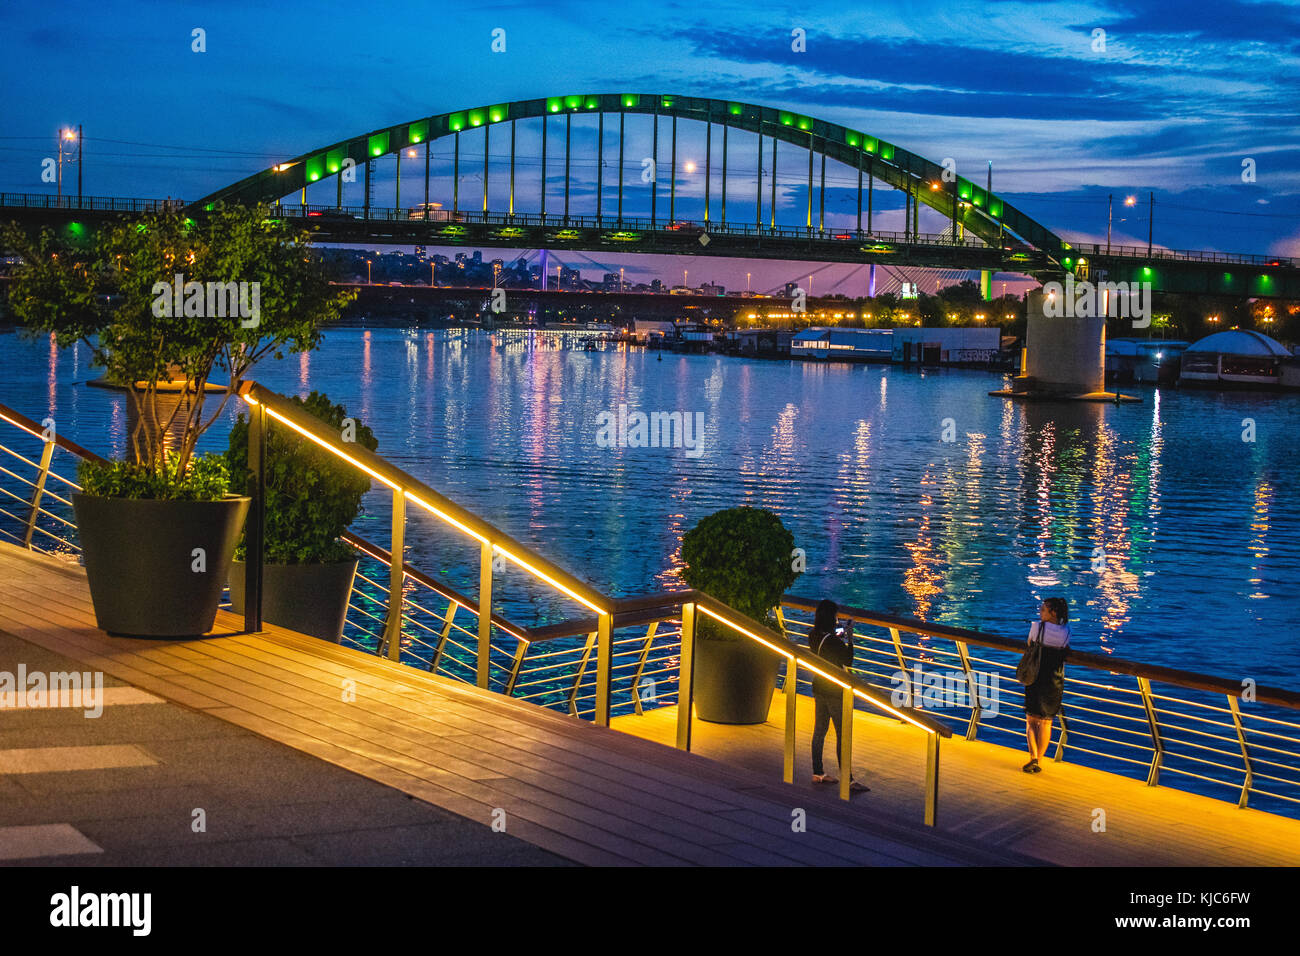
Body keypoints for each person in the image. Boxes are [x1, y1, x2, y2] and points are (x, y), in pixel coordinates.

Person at [807, 599, 867, 791]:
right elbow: (848, 660)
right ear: (831, 617)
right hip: (834, 689)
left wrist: (838, 635)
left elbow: (828, 651)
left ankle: (818, 773)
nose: (837, 619)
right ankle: (848, 779)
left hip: (819, 686)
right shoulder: (833, 641)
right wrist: (849, 637)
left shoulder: (813, 635)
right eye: (836, 616)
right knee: (843, 734)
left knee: (819, 731)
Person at [1023, 597, 1071, 774]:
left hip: (1037, 677)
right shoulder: (1066, 631)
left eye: (1043, 609)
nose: (1040, 612)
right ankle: (1039, 760)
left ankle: (1033, 757)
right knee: (1046, 723)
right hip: (1055, 680)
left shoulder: (1037, 627)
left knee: (1031, 720)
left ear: (1053, 613)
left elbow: (1030, 644)